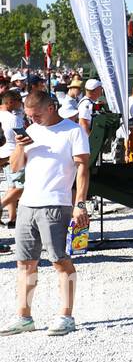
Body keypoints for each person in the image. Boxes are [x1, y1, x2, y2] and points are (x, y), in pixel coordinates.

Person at [0, 91, 90, 336]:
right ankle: (24, 316)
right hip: (28, 204)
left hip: (56, 204)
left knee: (60, 260)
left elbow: (83, 169)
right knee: (25, 263)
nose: (33, 120)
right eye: (29, 116)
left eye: (36, 115)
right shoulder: (33, 132)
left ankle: (66, 315)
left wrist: (79, 203)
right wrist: (19, 146)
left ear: (51, 107)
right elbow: (16, 167)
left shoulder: (73, 131)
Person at [1, 90, 24, 232]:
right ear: (10, 102)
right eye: (18, 101)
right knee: (21, 186)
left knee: (11, 186)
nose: (20, 104)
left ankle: (12, 218)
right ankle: (2, 205)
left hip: (3, 155)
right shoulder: (14, 119)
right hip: (14, 154)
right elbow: (23, 136)